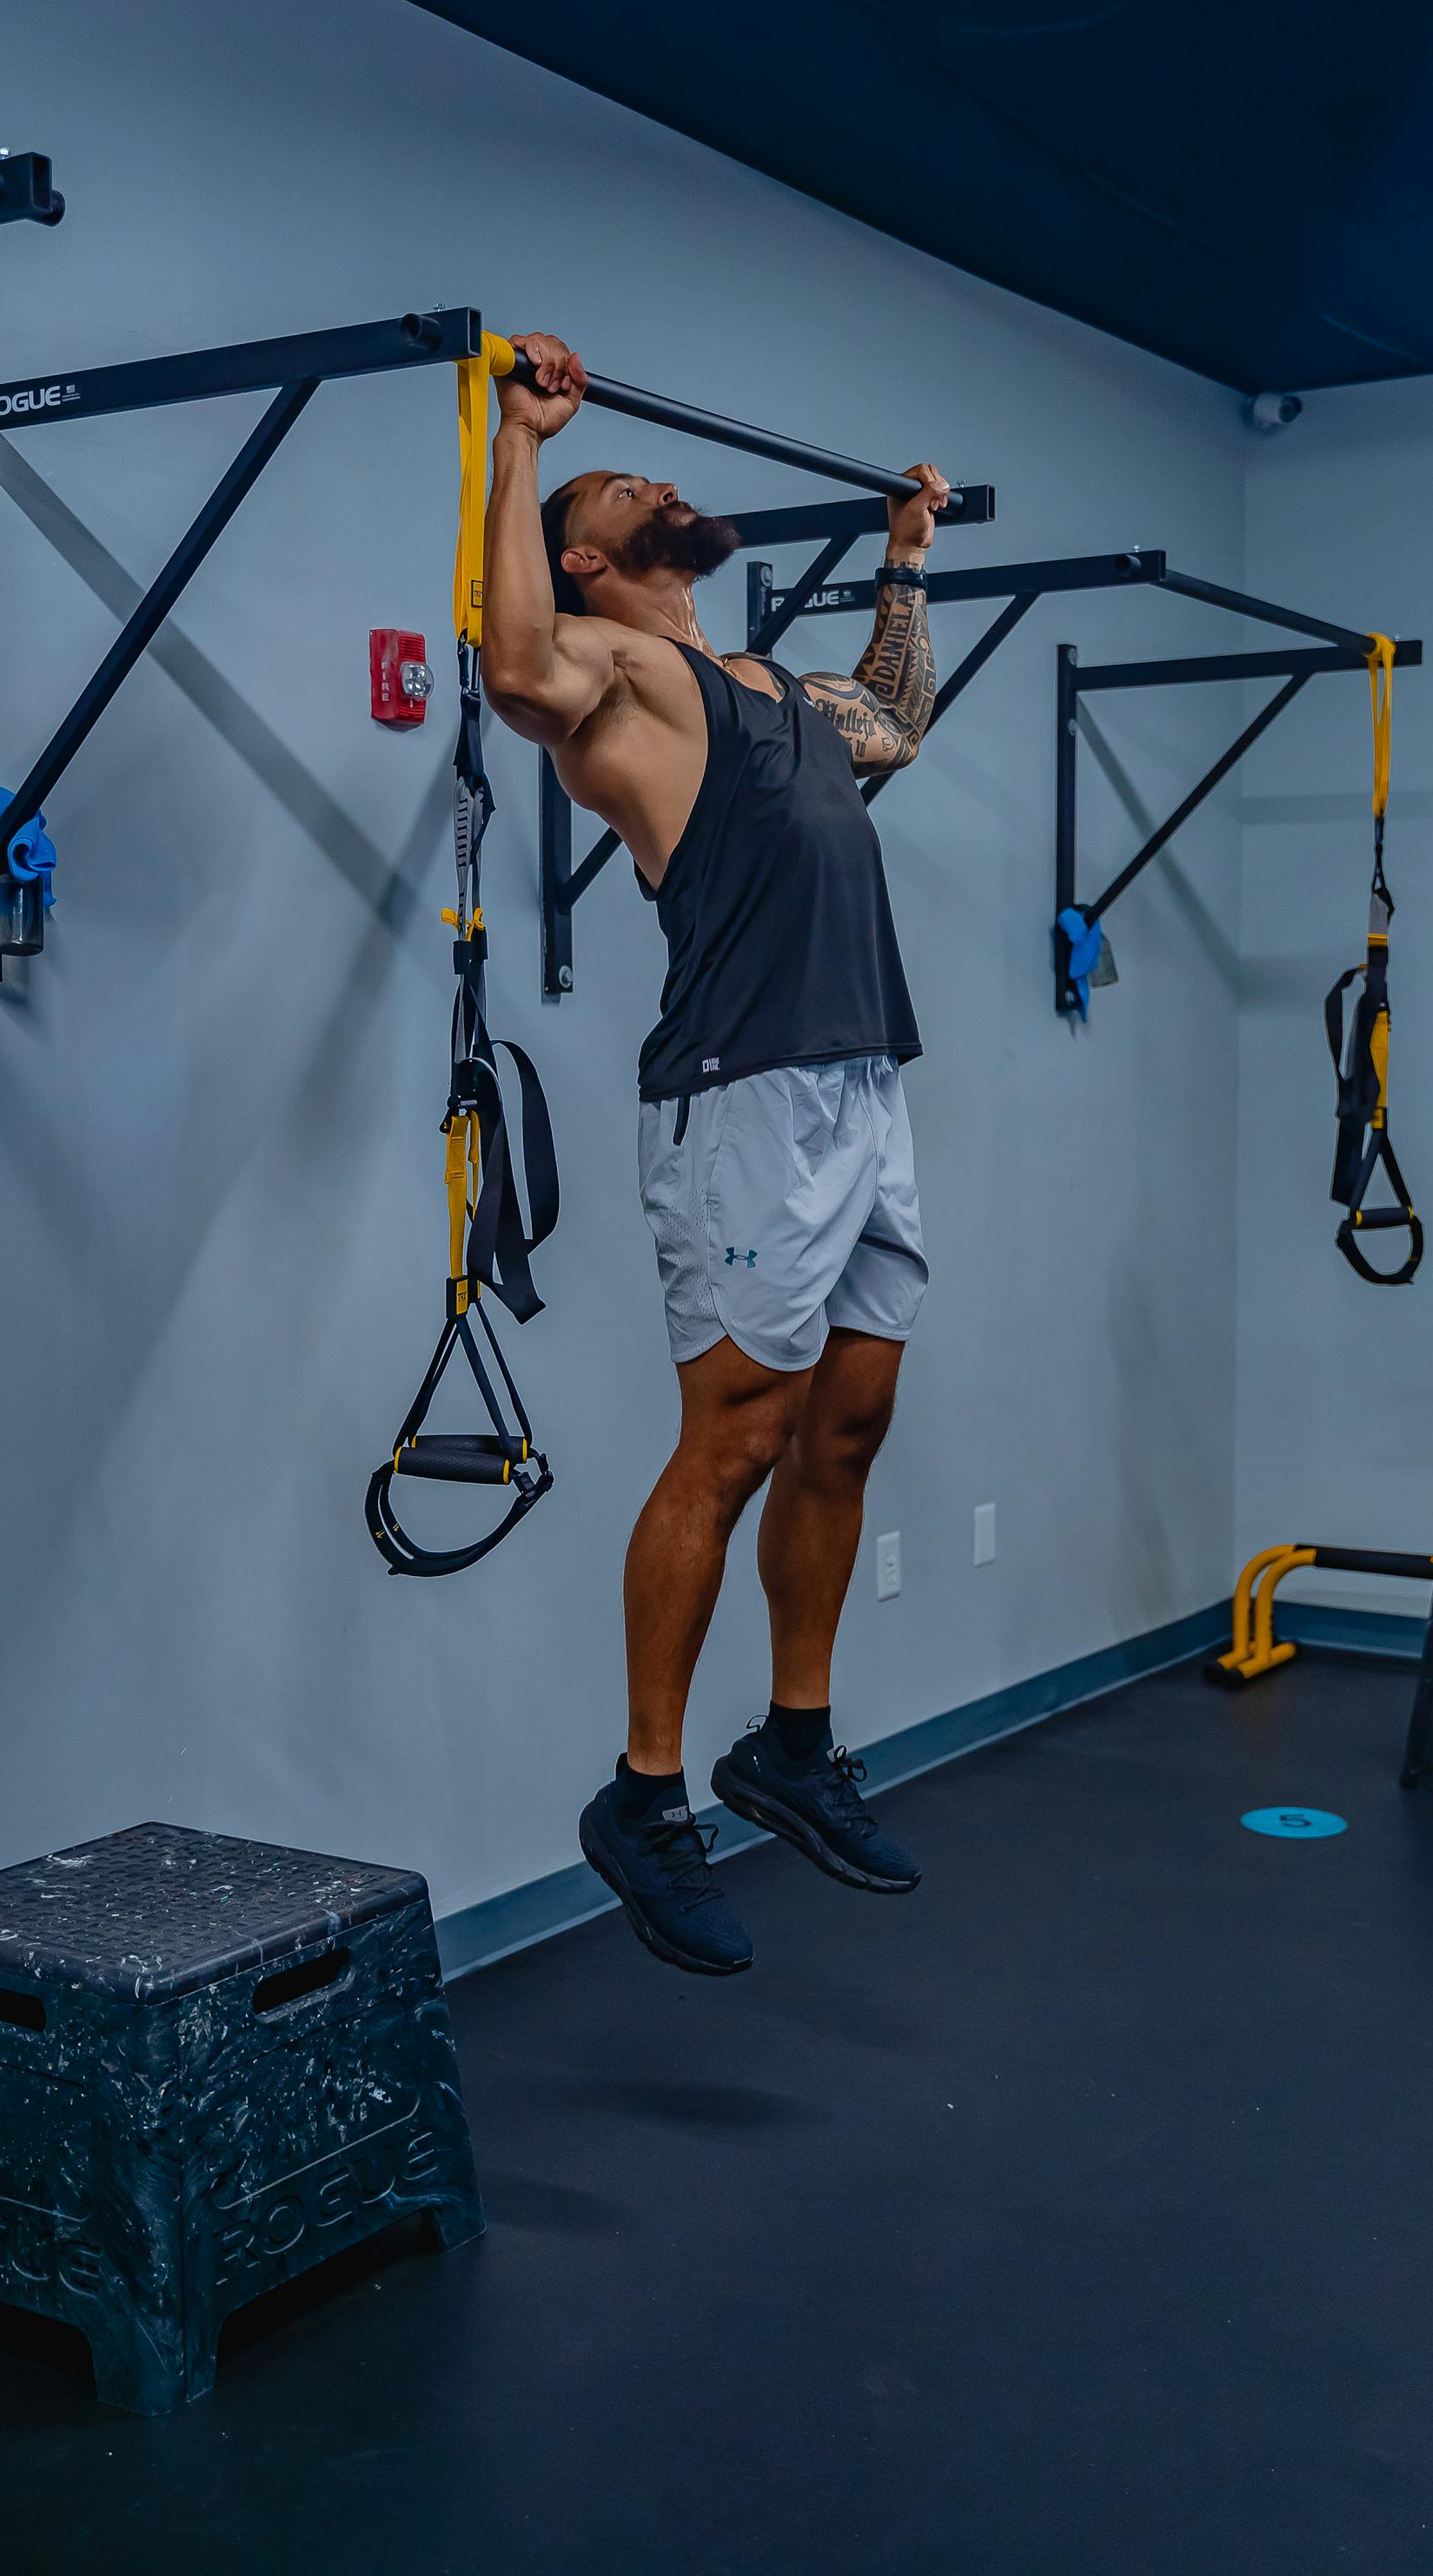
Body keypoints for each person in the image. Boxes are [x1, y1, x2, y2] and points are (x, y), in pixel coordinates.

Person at [481, 333, 947, 1977]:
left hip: (861, 1086)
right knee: (734, 1439)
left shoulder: (772, 687)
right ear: (596, 558)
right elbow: (511, 668)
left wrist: (904, 556)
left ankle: (794, 1746)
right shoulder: (606, 672)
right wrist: (526, 444)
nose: (661, 485)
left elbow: (895, 719)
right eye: (630, 488)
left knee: (855, 1421)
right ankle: (647, 1795)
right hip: (742, 1095)